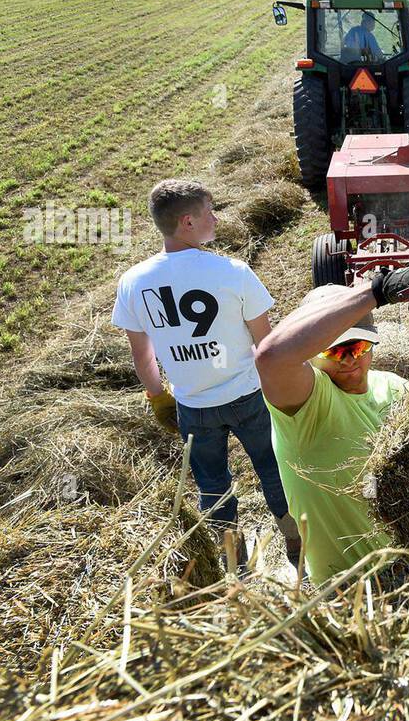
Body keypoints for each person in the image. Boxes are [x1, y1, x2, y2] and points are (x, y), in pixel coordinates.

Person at [111, 179, 301, 571]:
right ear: (187, 222)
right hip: (250, 397)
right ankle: (295, 541)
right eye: (208, 212)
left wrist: (157, 397)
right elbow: (266, 344)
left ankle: (233, 561)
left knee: (212, 485)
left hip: (193, 406)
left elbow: (141, 351)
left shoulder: (134, 282)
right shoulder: (233, 271)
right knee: (275, 469)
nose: (216, 218)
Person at [254, 266, 409, 586]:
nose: (349, 360)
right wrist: (376, 292)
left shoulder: (396, 389)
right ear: (311, 354)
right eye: (336, 350)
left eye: (358, 347)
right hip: (348, 592)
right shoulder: (308, 407)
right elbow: (270, 357)